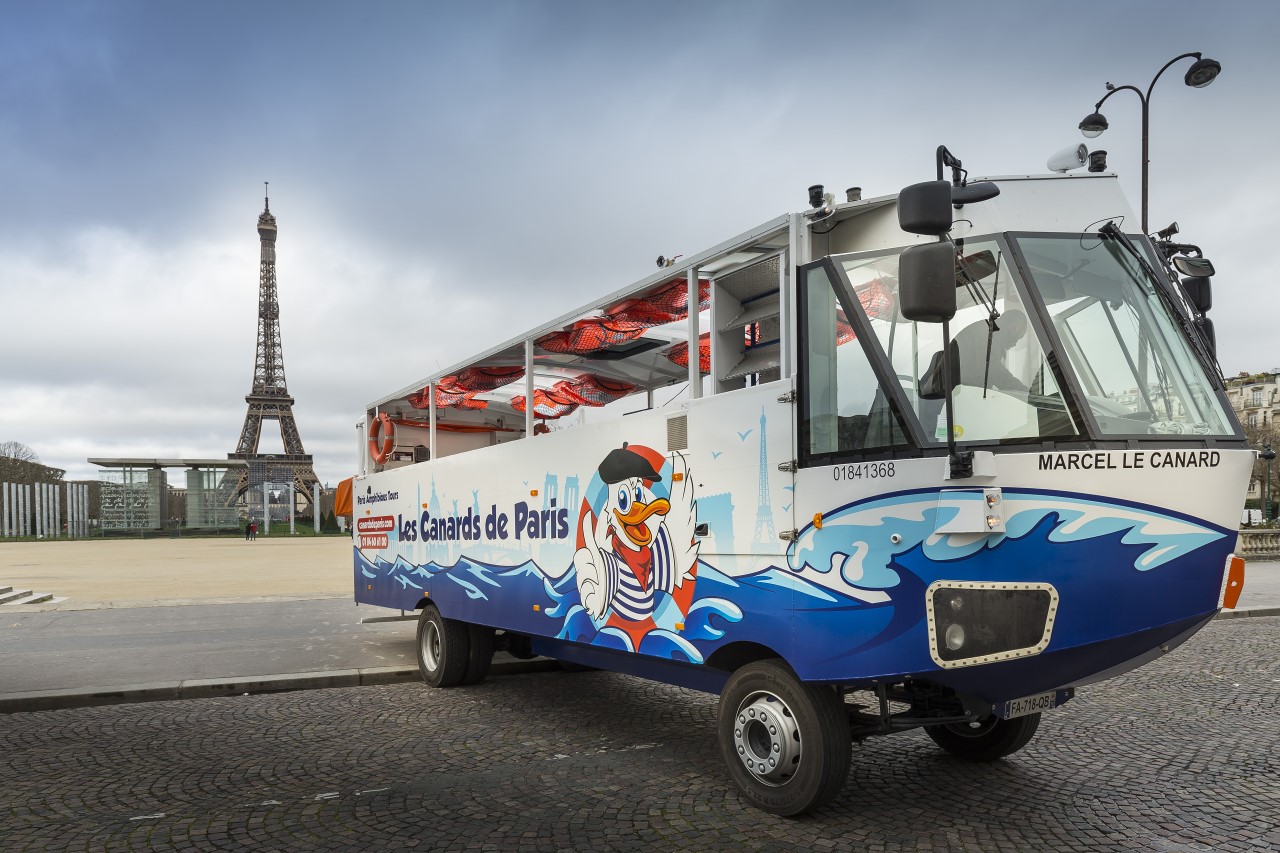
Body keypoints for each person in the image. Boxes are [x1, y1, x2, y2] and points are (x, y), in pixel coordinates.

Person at [952, 307, 1029, 393]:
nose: (1015, 343)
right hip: (953, 393)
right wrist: (1023, 391)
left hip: (957, 390)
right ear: (1013, 325)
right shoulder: (989, 331)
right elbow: (992, 369)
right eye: (1018, 336)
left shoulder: (990, 330)